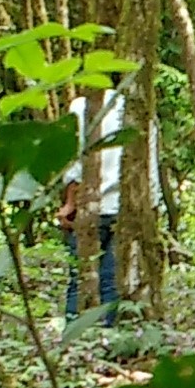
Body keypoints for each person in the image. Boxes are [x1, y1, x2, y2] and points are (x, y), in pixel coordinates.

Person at [60, 83, 154, 319]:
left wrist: (69, 204)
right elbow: (149, 167)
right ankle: (108, 340)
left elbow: (73, 163)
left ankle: (75, 341)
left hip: (87, 206)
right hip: (124, 207)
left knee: (80, 280)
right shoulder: (139, 112)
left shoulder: (80, 107)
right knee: (112, 283)